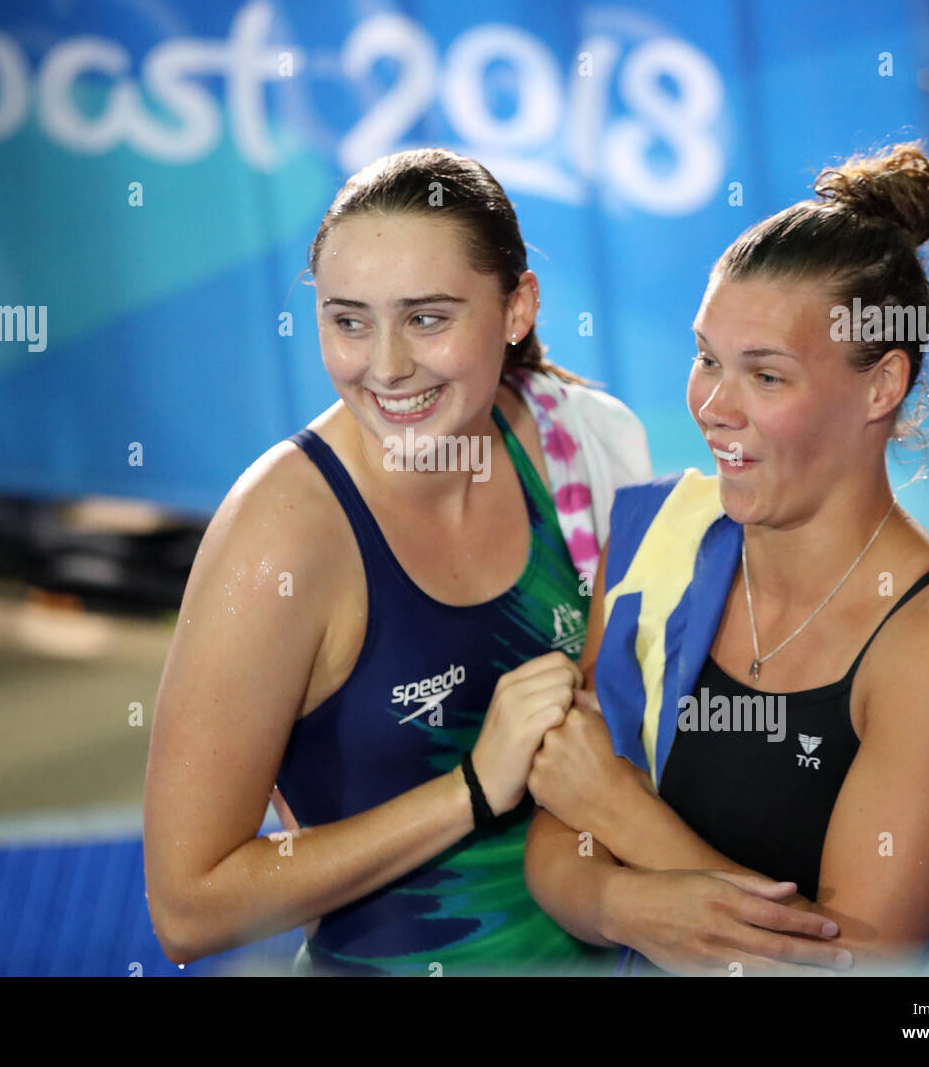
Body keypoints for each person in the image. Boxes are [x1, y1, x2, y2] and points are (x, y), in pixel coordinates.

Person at [522, 143, 929, 975]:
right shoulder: (657, 536)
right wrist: (623, 902)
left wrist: (629, 821)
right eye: (707, 359)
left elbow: (854, 967)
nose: (715, 407)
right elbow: (557, 831)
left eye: (765, 375)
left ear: (882, 384)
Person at [143, 148, 654, 974]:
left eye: (426, 318)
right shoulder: (280, 538)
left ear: (517, 306)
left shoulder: (585, 446)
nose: (385, 366)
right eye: (349, 321)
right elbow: (189, 907)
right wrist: (469, 792)